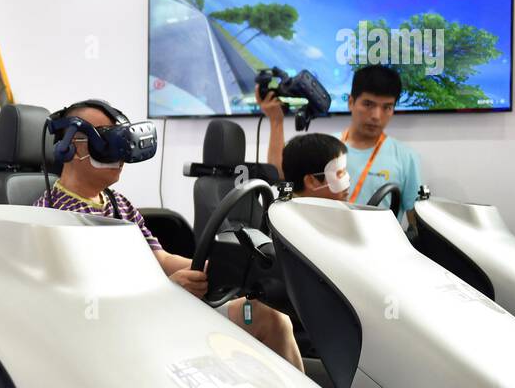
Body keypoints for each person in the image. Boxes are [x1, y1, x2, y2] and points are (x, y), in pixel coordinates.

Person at [35, 99, 304, 371]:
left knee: (271, 317)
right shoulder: (54, 216)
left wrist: (224, 271)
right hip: (123, 334)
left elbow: (160, 258)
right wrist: (166, 292)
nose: (118, 150)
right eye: (105, 140)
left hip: (162, 314)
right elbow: (88, 299)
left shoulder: (117, 203)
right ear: (70, 146)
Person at [259, 65, 424, 227]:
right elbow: (280, 174)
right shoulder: (329, 148)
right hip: (327, 245)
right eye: (368, 104)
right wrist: (276, 121)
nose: (376, 116)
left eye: (387, 107)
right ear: (351, 102)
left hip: (379, 249)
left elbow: (415, 222)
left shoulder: (406, 158)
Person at [279, 133, 351, 201]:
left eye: (345, 171)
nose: (348, 177)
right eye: (339, 173)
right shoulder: (287, 213)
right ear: (311, 181)